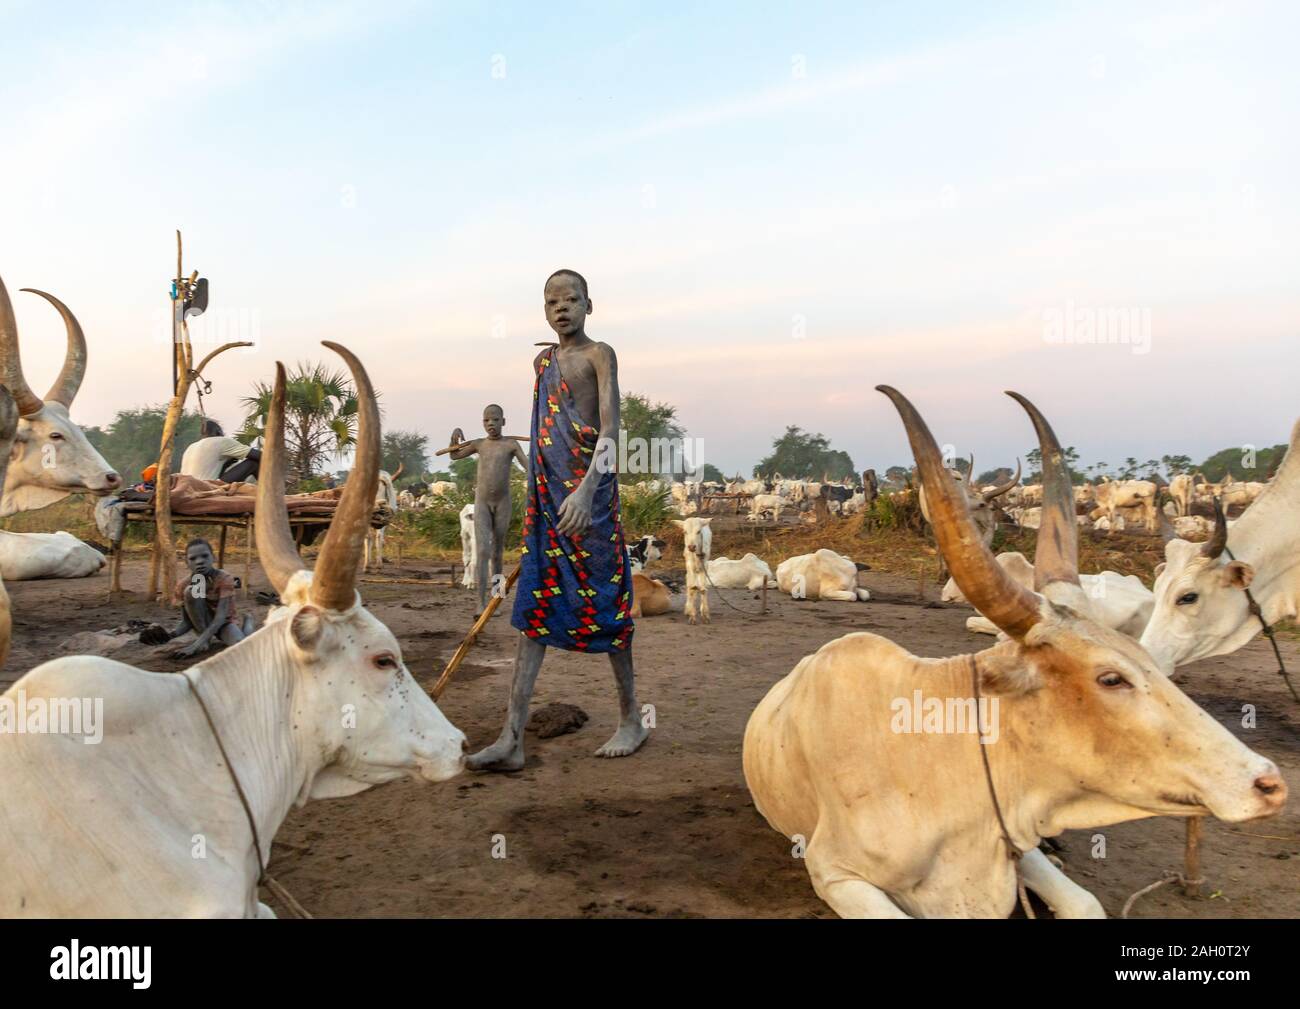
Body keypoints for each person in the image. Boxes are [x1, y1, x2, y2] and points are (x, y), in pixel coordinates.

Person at [467, 269, 646, 772]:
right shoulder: (542, 361)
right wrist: (549, 499)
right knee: (532, 612)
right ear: (544, 310)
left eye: (572, 299)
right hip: (548, 509)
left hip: (592, 506)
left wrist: (588, 491)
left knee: (609, 604)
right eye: (552, 301)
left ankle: (632, 718)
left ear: (590, 305)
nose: (562, 307)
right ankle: (511, 738)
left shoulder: (599, 354)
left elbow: (611, 430)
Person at [448, 405, 528, 613]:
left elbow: (529, 468)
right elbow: (454, 456)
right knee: (482, 551)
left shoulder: (511, 445)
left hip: (503, 503)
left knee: (497, 553)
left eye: (495, 420)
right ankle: (480, 602)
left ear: (503, 421)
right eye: (486, 421)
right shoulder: (478, 444)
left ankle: (497, 599)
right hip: (482, 503)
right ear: (482, 423)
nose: (490, 424)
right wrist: (454, 438)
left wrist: (541, 449)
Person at [152, 538, 255, 658]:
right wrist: (170, 635)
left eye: (205, 556)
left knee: (241, 645)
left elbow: (220, 618)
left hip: (224, 623)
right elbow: (187, 622)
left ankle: (248, 620)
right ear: (186, 562)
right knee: (191, 591)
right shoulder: (183, 585)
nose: (199, 561)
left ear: (213, 557)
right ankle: (205, 640)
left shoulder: (224, 578)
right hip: (202, 624)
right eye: (193, 558)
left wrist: (195, 646)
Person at [179, 419, 261, 483]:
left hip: (189, 488)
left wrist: (226, 465)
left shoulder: (190, 447)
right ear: (218, 432)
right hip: (206, 487)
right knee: (253, 463)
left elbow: (209, 475)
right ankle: (270, 492)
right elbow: (260, 455)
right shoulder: (221, 441)